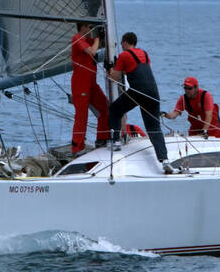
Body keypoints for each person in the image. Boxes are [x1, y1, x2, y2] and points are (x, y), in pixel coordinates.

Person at [107, 32, 172, 170]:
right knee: (154, 128)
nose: (121, 46)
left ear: (125, 42)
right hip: (153, 91)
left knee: (115, 109)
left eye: (121, 43)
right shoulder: (144, 53)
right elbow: (135, 68)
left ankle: (116, 141)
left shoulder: (124, 55)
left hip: (138, 91)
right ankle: (164, 160)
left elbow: (114, 77)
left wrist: (110, 69)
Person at [69, 20, 109, 155]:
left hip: (91, 83)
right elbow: (92, 51)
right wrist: (97, 38)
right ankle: (77, 147)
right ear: (83, 27)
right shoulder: (77, 38)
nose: (91, 30)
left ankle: (102, 138)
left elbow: (99, 45)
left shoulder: (88, 40)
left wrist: (103, 34)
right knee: (81, 116)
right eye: (90, 27)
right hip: (80, 85)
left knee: (105, 107)